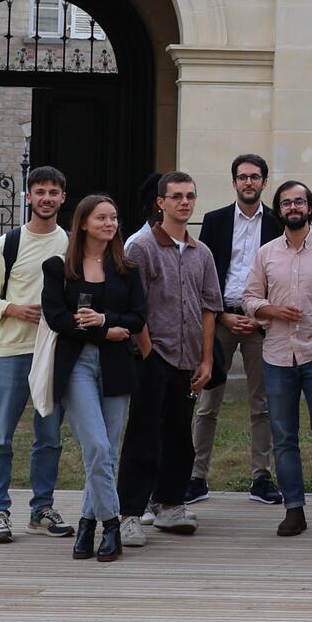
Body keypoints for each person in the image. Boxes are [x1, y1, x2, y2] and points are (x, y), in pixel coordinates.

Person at [116, 172, 221, 546]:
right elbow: (134, 306)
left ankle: (170, 503)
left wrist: (206, 359)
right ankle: (129, 512)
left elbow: (210, 307)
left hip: (188, 359)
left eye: (190, 196)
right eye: (176, 196)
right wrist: (148, 355)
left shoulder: (201, 252)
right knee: (144, 436)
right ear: (160, 202)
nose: (184, 202)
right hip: (152, 356)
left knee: (180, 436)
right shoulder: (141, 248)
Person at [0, 164, 72, 544]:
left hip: (53, 353)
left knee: (49, 436)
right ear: (28, 197)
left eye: (53, 192)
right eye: (40, 192)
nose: (46, 198)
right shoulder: (5, 245)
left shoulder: (71, 243)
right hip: (11, 350)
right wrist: (13, 309)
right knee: (0, 435)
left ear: (63, 197)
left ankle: (42, 509)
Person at [42, 193, 144, 563]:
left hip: (117, 366)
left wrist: (106, 321)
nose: (110, 223)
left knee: (106, 452)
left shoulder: (127, 268)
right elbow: (56, 317)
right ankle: (112, 525)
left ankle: (87, 523)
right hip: (78, 366)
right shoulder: (58, 268)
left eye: (114, 218)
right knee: (98, 447)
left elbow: (137, 318)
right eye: (102, 217)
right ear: (83, 222)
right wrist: (104, 331)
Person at [243, 180, 312, 539]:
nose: (293, 208)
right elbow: (249, 297)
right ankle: (293, 509)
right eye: (286, 203)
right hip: (276, 355)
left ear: (310, 207)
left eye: (299, 202)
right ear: (279, 210)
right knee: (284, 436)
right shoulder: (266, 253)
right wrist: (271, 310)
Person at [191, 154, 278, 507]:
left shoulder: (276, 222)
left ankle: (261, 477)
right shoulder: (214, 221)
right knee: (207, 401)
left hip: (260, 321)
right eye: (242, 177)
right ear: (233, 182)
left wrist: (259, 315)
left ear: (263, 182)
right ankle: (196, 476)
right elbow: (203, 274)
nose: (248, 183)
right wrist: (222, 315)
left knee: (263, 404)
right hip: (221, 319)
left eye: (255, 177)